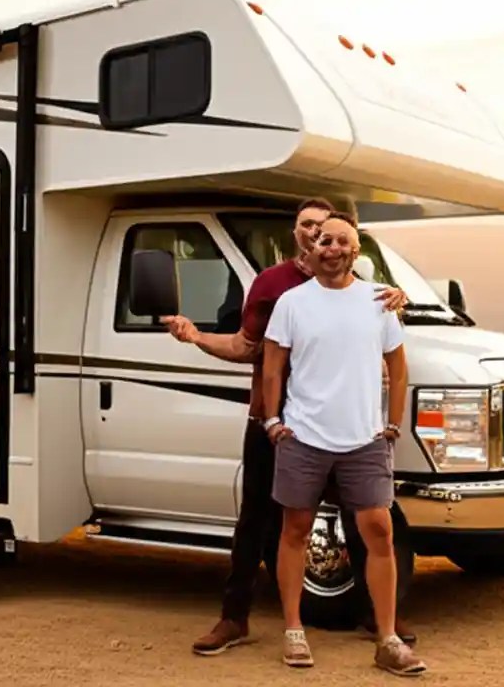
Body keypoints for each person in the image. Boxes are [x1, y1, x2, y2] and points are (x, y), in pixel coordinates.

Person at [159, 198, 415, 656]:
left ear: (349, 242)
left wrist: (403, 298)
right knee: (260, 521)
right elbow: (247, 347)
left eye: (330, 229)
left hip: (350, 428)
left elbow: (387, 343)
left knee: (365, 523)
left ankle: (377, 620)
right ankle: (234, 619)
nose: (320, 236)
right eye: (310, 228)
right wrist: (196, 336)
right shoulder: (274, 285)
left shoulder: (372, 293)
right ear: (300, 235)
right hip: (278, 423)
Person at [261, 212, 427, 676]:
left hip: (365, 439)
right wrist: (274, 421)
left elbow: (397, 368)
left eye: (342, 241)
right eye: (323, 240)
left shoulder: (378, 302)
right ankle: (294, 630)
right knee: (294, 531)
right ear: (311, 248)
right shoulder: (292, 303)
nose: (331, 247)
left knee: (379, 531)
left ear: (357, 252)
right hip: (304, 434)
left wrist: (392, 425)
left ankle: (388, 638)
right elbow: (273, 367)